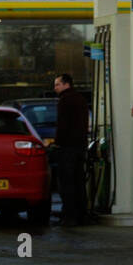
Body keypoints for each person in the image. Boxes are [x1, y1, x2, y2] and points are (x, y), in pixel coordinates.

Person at [53, 73, 88, 226]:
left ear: (67, 84)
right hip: (80, 146)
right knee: (79, 182)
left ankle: (69, 215)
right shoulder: (81, 99)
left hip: (67, 147)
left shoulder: (64, 100)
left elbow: (62, 125)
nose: (55, 88)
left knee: (66, 183)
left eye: (57, 84)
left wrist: (57, 143)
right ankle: (82, 214)